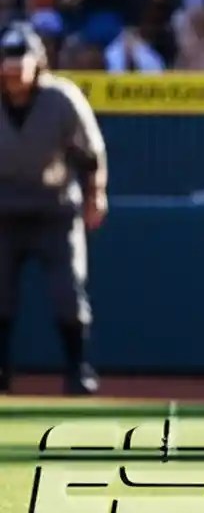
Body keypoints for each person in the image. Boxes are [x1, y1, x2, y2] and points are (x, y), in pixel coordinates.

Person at [0, 22, 107, 396]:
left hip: (54, 206)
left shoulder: (61, 99)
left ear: (38, 63)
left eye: (20, 60)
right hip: (4, 209)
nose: (13, 69)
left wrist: (96, 195)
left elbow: (90, 154)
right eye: (7, 60)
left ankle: (78, 369)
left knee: (68, 292)